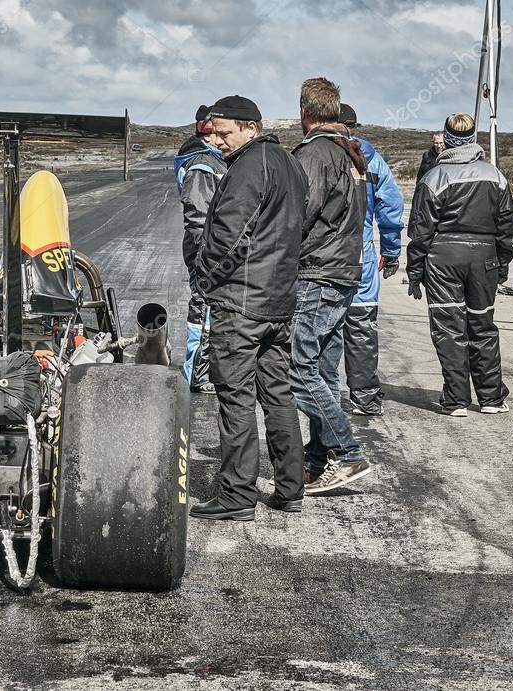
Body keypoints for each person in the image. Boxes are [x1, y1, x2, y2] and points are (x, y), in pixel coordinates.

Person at [189, 95, 308, 521]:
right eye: (213, 133)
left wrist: (203, 279)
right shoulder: (289, 163)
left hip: (241, 305)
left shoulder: (246, 167)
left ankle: (237, 495)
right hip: (278, 301)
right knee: (278, 394)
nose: (217, 140)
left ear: (251, 128)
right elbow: (298, 227)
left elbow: (228, 236)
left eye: (225, 133)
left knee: (235, 398)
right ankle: (290, 488)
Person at [289, 78, 372, 495]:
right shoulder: (350, 152)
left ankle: (347, 450)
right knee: (323, 370)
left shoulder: (315, 154)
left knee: (297, 369)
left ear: (304, 113)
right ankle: (317, 460)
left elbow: (298, 215)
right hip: (344, 271)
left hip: (317, 272)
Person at [407, 113, 513, 416]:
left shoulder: (434, 177)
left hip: (443, 259)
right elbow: (507, 227)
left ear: (447, 140)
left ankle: (456, 400)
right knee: (482, 326)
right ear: (472, 139)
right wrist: (502, 263)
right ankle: (491, 398)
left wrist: (415, 272)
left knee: (449, 328)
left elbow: (420, 232)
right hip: (484, 259)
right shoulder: (494, 175)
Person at [338, 104, 404, 416]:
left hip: (320, 255)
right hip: (361, 254)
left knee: (320, 325)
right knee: (361, 324)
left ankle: (317, 394)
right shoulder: (371, 158)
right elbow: (390, 207)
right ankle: (363, 397)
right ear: (355, 124)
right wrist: (391, 251)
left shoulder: (316, 154)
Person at [174, 105, 227, 394]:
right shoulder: (202, 165)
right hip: (206, 248)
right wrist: (210, 253)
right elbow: (197, 218)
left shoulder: (213, 161)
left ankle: (208, 367)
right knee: (203, 305)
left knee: (212, 306)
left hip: (213, 246)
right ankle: (196, 371)